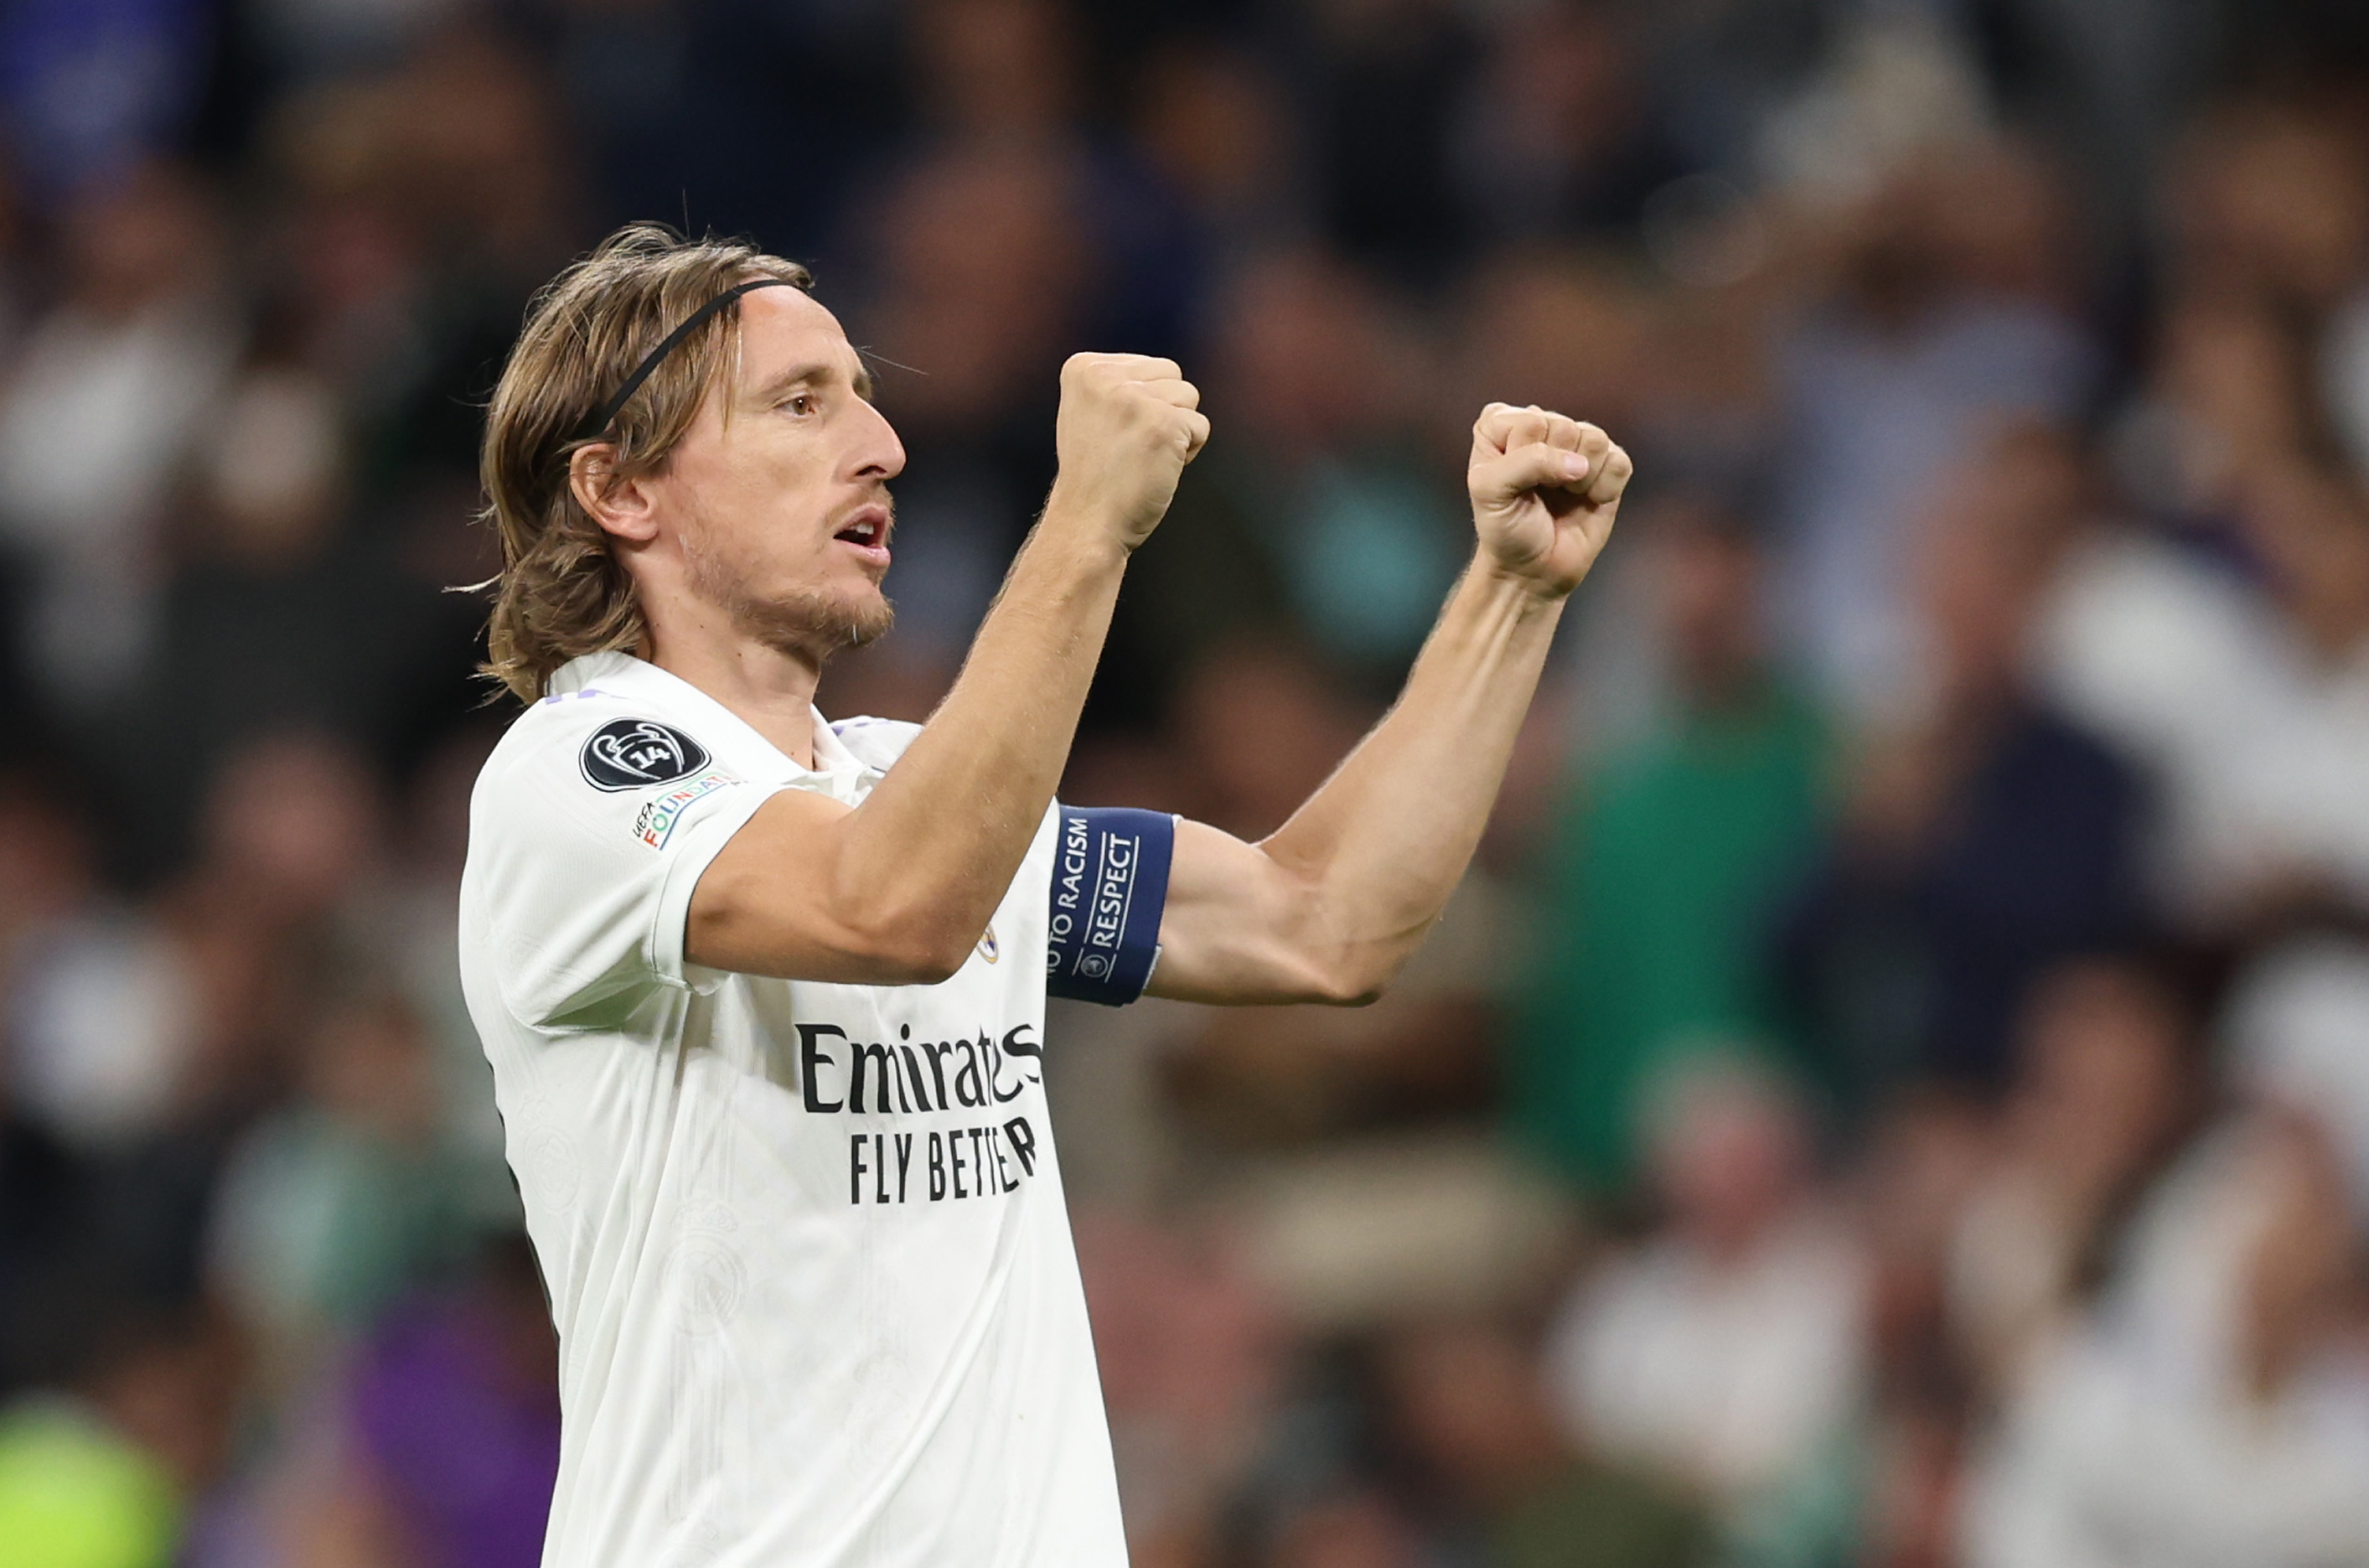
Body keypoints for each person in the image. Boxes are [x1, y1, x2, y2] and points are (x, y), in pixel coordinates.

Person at [457, 224, 1630, 1565]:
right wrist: (1087, 523)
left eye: (866, 396)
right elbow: (891, 911)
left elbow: (1321, 922)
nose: (882, 446)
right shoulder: (580, 778)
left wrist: (1510, 597)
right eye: (800, 404)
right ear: (620, 489)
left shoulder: (907, 789)